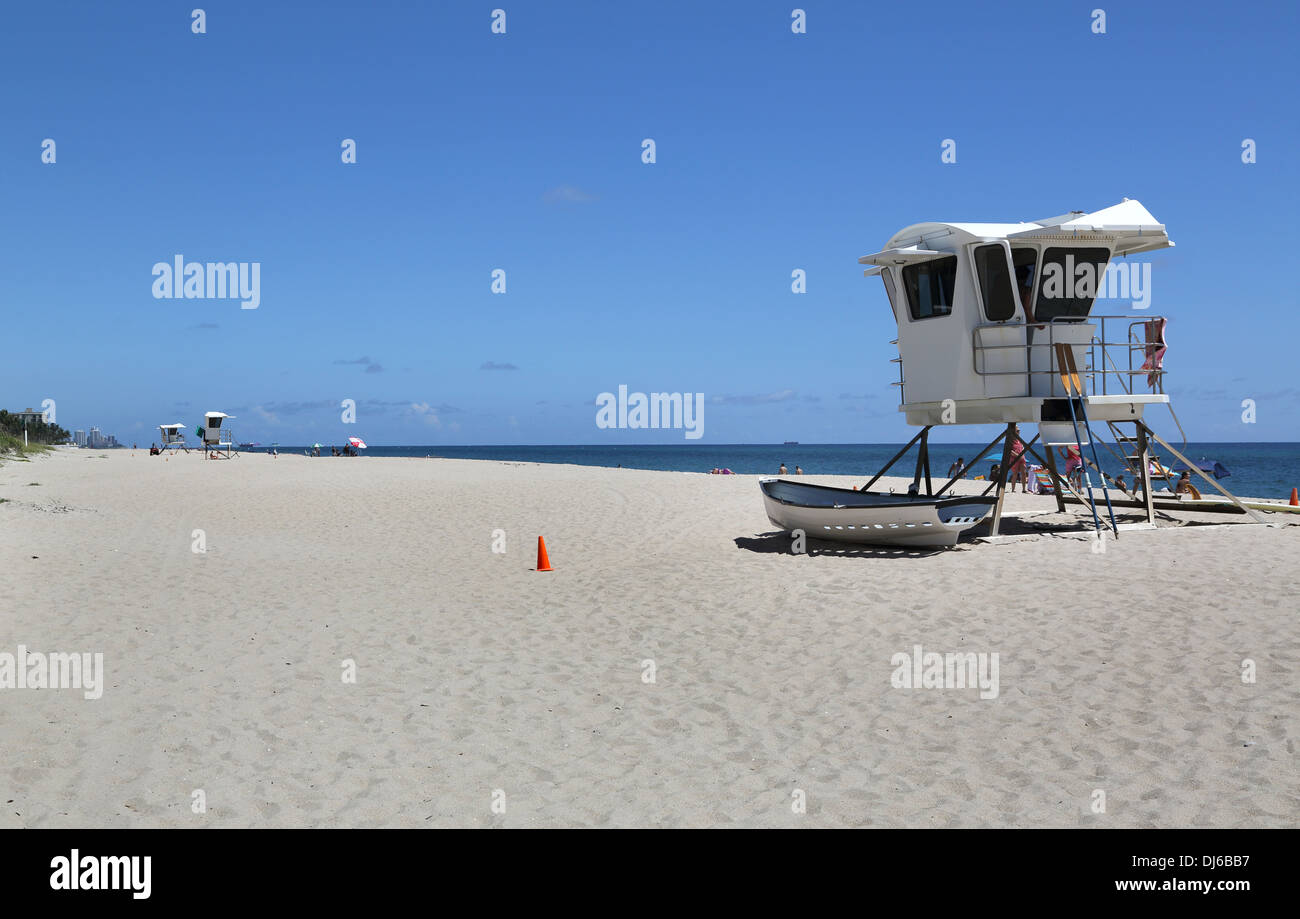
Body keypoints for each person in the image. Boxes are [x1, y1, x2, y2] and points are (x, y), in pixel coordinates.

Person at [1007, 426, 1028, 493]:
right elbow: (1009, 450)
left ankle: (1024, 489)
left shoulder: (1019, 440)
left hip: (1022, 458)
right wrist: (1017, 455)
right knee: (1015, 473)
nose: (1019, 432)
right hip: (1014, 459)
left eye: (1019, 431)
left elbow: (1022, 447)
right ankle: (1013, 489)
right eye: (1017, 431)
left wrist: (1022, 453)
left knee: (1024, 473)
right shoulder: (1011, 440)